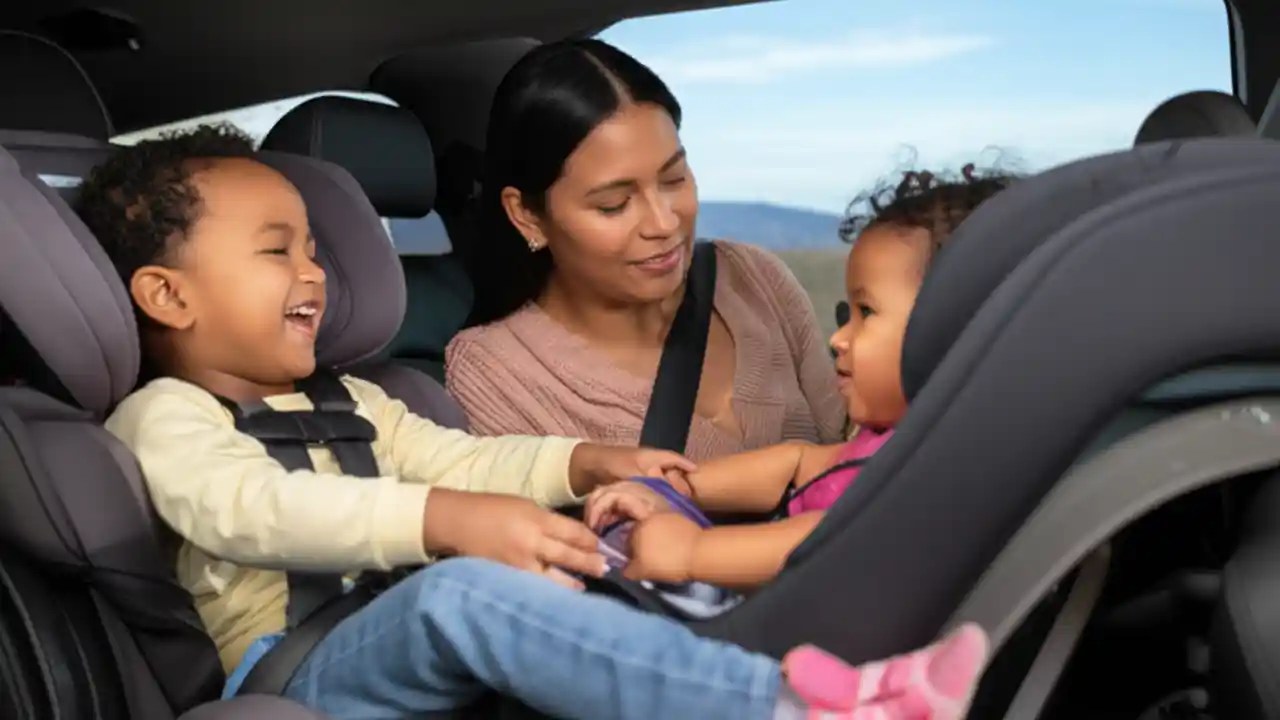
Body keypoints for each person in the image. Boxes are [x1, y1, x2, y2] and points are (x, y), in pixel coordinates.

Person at [78, 125, 989, 719]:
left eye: (316, 250)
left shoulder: (349, 402)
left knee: (576, 567)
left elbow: (455, 458)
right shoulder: (162, 419)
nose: (315, 274)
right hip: (294, 673)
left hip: (387, 631)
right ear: (168, 294)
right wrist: (440, 523)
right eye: (278, 252)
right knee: (462, 590)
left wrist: (582, 466)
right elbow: (252, 510)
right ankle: (797, 707)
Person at [586, 166, 1017, 590]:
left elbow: (836, 537)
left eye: (866, 313)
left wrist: (693, 552)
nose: (840, 338)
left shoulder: (942, 475)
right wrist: (675, 488)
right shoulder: (887, 444)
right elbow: (795, 463)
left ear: (958, 333)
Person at [445, 38, 846, 461]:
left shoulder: (754, 278)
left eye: (674, 179)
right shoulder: (496, 372)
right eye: (613, 205)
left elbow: (853, 452)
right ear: (527, 215)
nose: (664, 223)